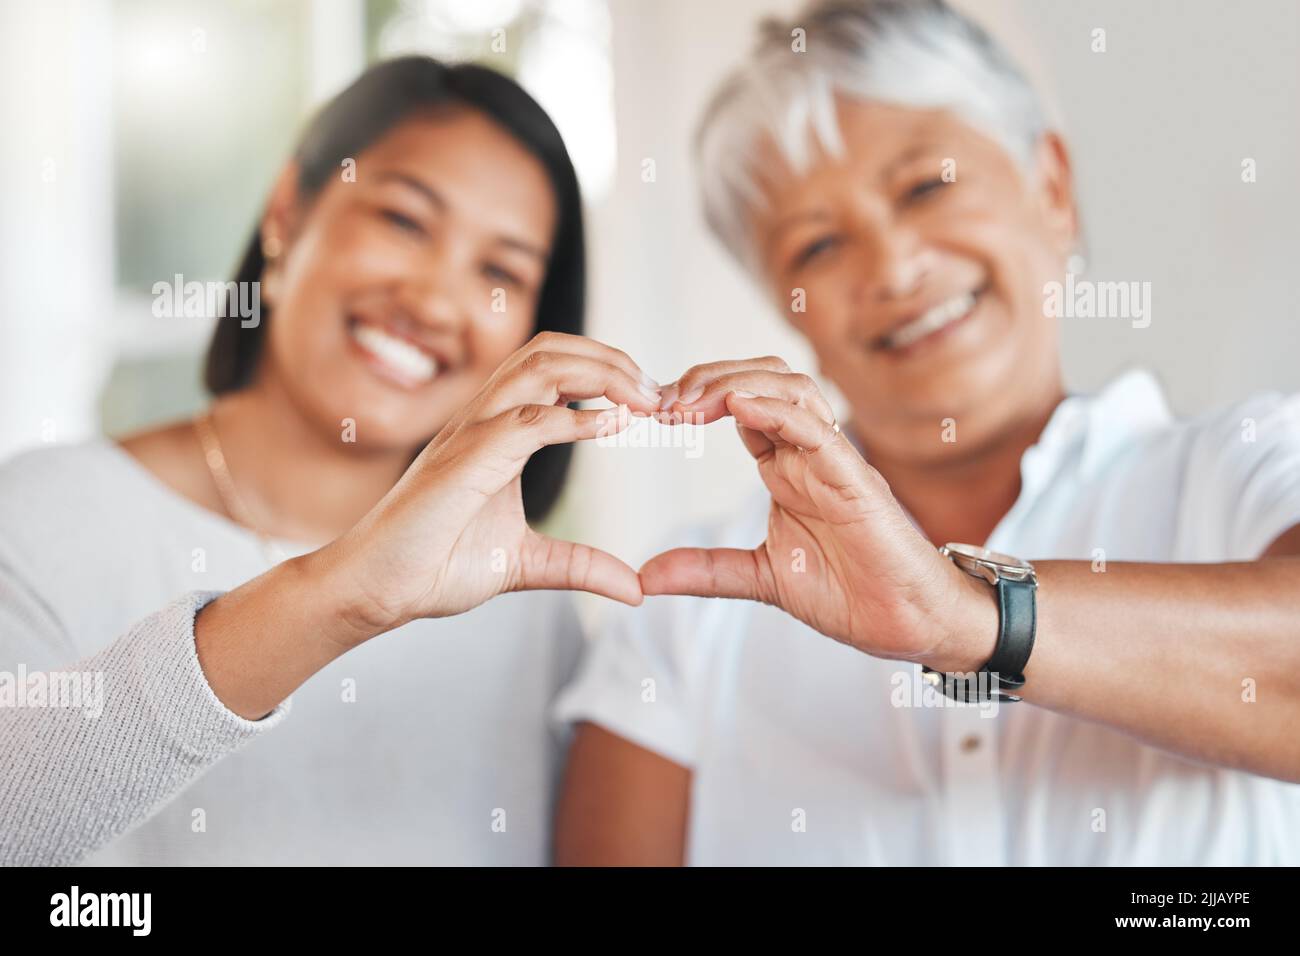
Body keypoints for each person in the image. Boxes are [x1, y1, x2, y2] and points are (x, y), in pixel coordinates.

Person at [553, 0, 1300, 865]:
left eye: (926, 186)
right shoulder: (687, 612)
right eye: (819, 246)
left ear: (1051, 188)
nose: (895, 269)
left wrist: (966, 617)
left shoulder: (1245, 468)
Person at [0, 56, 663, 865]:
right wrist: (336, 597)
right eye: (404, 221)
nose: (431, 302)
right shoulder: (40, 522)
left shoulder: (520, 604)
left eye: (499, 271)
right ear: (287, 213)